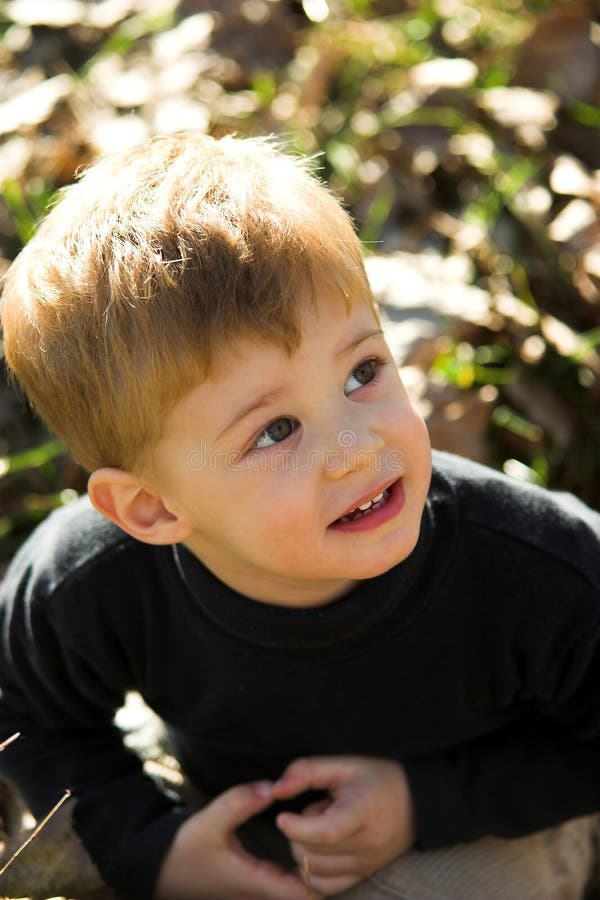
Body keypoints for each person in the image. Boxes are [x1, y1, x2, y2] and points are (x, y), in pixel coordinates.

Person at [0, 132, 599, 900]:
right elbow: (26, 709)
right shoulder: (89, 582)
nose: (355, 449)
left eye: (363, 372)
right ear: (151, 507)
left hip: (497, 803)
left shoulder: (537, 571)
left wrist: (429, 801)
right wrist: (151, 849)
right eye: (275, 431)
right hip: (237, 807)